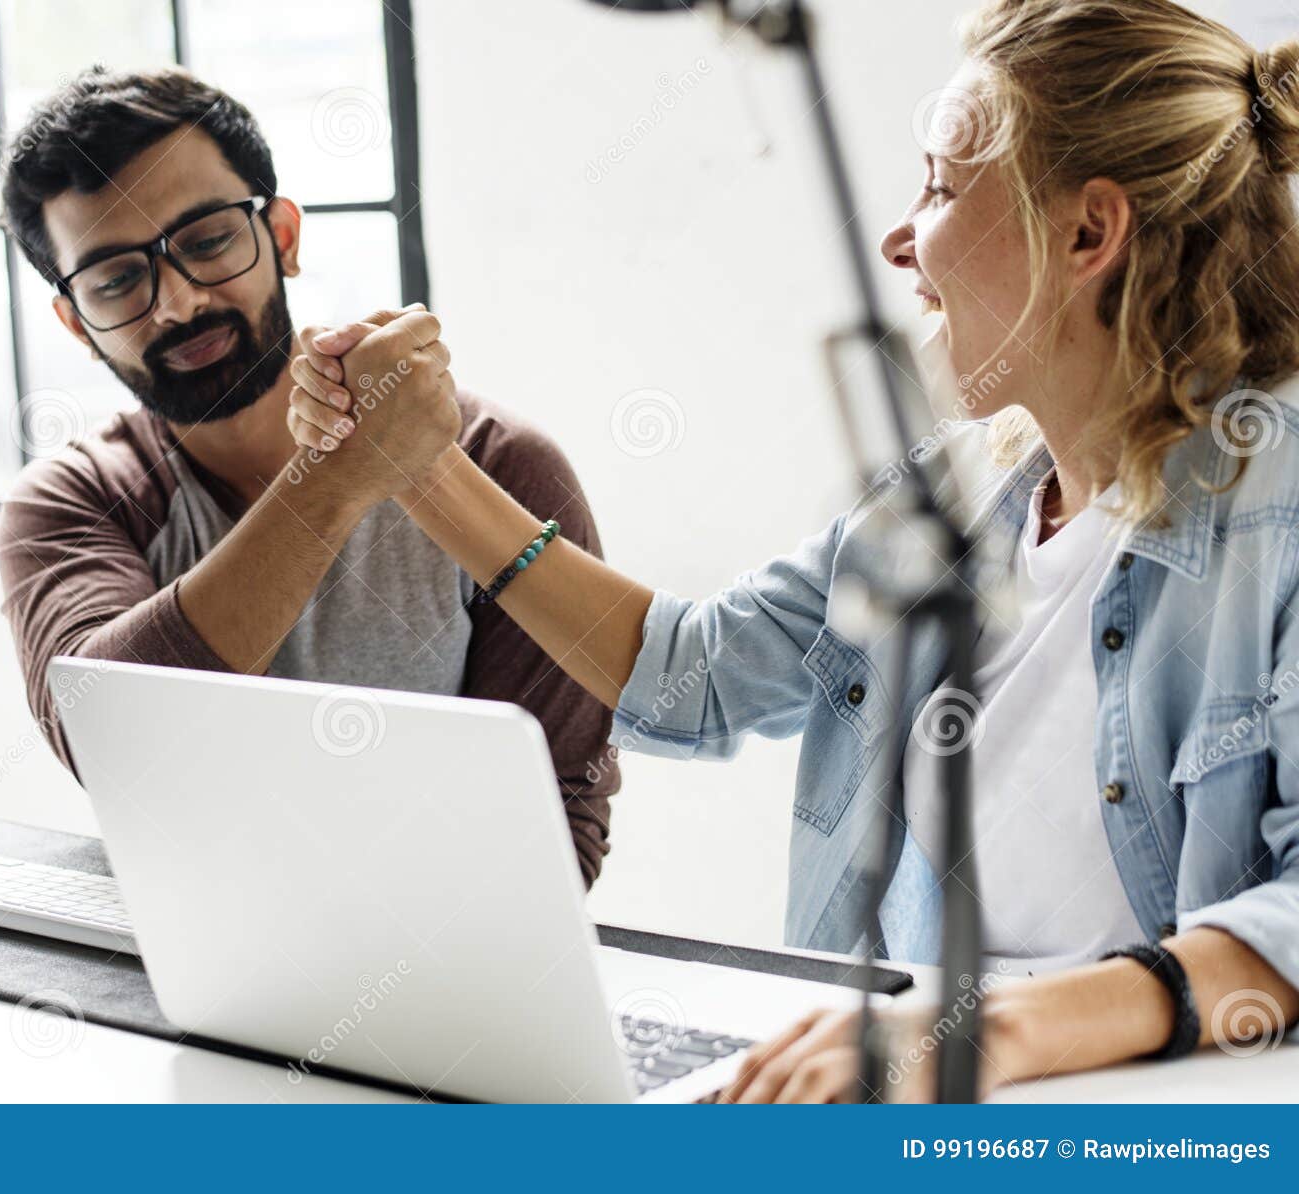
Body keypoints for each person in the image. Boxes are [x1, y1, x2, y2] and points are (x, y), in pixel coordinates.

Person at [287, 0, 1299, 1100]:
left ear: (1087, 234)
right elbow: (696, 677)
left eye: (941, 185)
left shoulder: (1277, 509)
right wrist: (423, 469)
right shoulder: (957, 494)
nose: (900, 238)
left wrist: (994, 1032)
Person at [0, 67, 617, 884]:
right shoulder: (73, 503)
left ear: (282, 236)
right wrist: (342, 474)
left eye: (209, 241)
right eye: (117, 280)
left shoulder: (497, 463)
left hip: (445, 971)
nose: (176, 303)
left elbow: (556, 815)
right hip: (188, 977)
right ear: (76, 323)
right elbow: (109, 738)